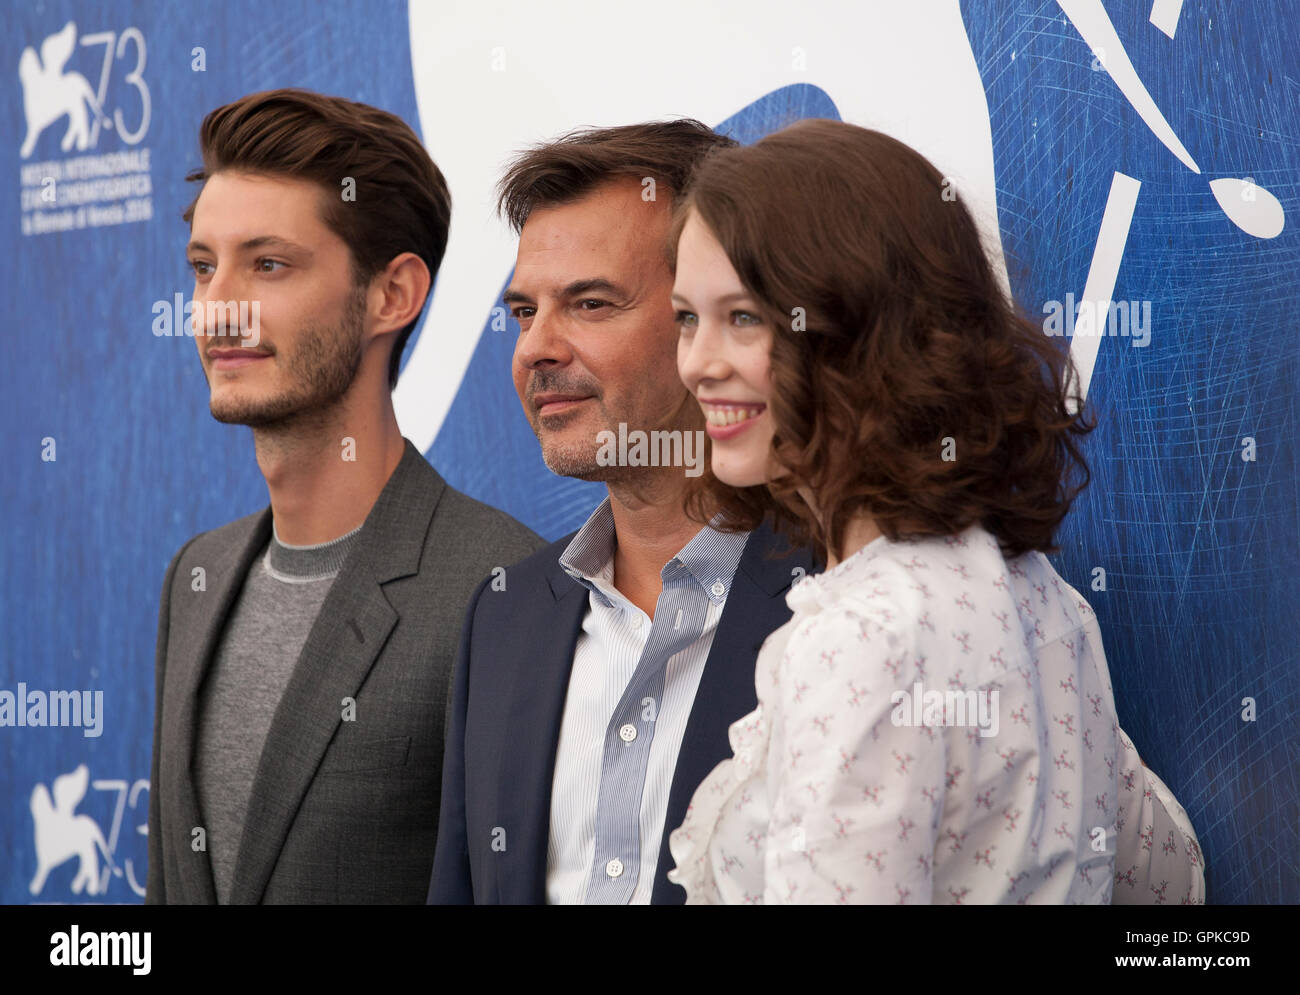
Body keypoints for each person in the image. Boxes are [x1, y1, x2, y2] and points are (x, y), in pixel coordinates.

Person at [666, 118, 1205, 904]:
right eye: (687, 316)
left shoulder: (863, 636)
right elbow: (1170, 881)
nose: (698, 363)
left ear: (862, 328)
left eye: (744, 317)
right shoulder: (1043, 603)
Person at [146, 88, 543, 904]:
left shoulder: (500, 584)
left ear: (391, 295)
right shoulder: (199, 575)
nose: (219, 308)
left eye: (268, 264)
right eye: (202, 266)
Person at [427, 120, 820, 904]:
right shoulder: (503, 618)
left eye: (590, 303)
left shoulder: (840, 598)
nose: (535, 347)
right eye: (522, 311)